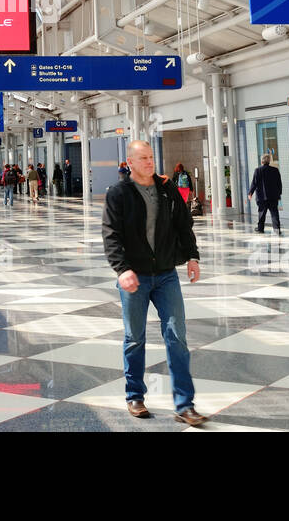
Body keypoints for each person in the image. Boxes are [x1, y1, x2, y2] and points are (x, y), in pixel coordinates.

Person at [102, 140, 207, 427]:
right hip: (134, 276)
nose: (150, 162)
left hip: (165, 275)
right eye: (144, 158)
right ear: (130, 162)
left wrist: (193, 258)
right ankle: (135, 395)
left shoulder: (167, 189)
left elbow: (183, 225)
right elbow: (111, 235)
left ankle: (184, 405)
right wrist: (122, 269)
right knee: (134, 337)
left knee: (177, 336)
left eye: (151, 157)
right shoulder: (119, 193)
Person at [248, 153, 283, 235]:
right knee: (274, 213)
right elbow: (279, 183)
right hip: (273, 197)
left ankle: (260, 229)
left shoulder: (258, 170)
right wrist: (279, 193)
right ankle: (277, 229)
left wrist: (250, 193)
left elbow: (254, 183)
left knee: (261, 213)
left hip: (262, 197)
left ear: (262, 161)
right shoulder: (275, 170)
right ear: (269, 161)